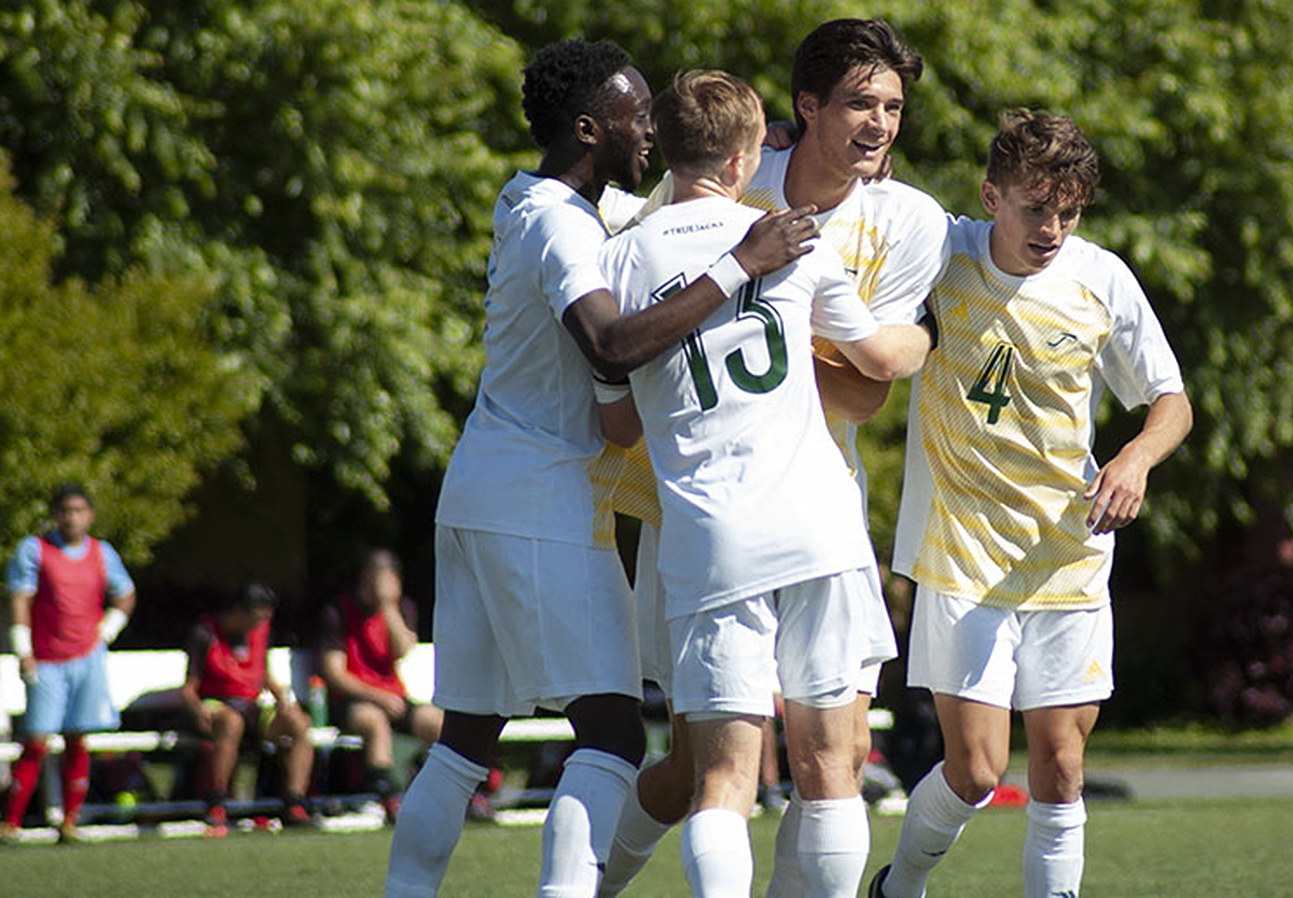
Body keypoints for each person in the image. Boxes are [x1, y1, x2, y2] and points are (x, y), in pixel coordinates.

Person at [383, 38, 817, 898]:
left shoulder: (538, 200)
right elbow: (610, 344)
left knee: (465, 741)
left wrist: (755, 146)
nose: (651, 129)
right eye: (636, 113)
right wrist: (741, 263)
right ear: (589, 128)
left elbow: (668, 199)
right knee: (614, 737)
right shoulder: (559, 224)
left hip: (481, 490)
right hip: (540, 499)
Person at [598, 20, 946, 897]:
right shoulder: (787, 233)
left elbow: (616, 402)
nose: (880, 123)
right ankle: (596, 882)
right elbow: (879, 367)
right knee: (741, 768)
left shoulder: (625, 254)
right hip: (797, 517)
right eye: (860, 103)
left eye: (892, 106)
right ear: (776, 132)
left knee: (765, 771)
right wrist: (922, 338)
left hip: (719, 522)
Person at [869, 110, 1194, 898]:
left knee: (1061, 765)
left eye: (1069, 212)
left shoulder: (1100, 278)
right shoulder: (942, 253)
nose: (1051, 229)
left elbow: (1172, 400)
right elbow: (859, 198)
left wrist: (1134, 459)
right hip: (963, 554)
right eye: (1036, 208)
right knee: (976, 771)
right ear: (992, 196)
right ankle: (897, 887)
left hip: (1068, 555)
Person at [2, 483, 136, 845]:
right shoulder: (34, 550)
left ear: (89, 515)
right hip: (46, 660)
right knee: (36, 741)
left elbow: (125, 594)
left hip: (86, 659)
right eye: (65, 511)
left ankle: (70, 821)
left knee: (78, 739)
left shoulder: (102, 553)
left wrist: (106, 630)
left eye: (78, 511)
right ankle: (11, 821)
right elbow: (20, 599)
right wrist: (23, 649)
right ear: (55, 514)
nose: (71, 518)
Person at [318, 548, 451, 823]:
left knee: (437, 722)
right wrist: (377, 697)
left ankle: (449, 794)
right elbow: (335, 674)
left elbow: (403, 649)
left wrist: (388, 606)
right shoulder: (338, 611)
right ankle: (385, 796)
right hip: (354, 700)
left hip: (394, 698)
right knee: (375, 722)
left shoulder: (400, 608)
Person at [181, 582, 316, 836]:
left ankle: (295, 802)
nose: (259, 625)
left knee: (299, 723)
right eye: (255, 618)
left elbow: (262, 672)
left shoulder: (260, 631)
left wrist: (283, 700)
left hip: (252, 706)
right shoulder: (205, 632)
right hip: (217, 703)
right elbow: (189, 688)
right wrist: (197, 710)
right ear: (238, 611)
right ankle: (217, 802)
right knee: (232, 722)